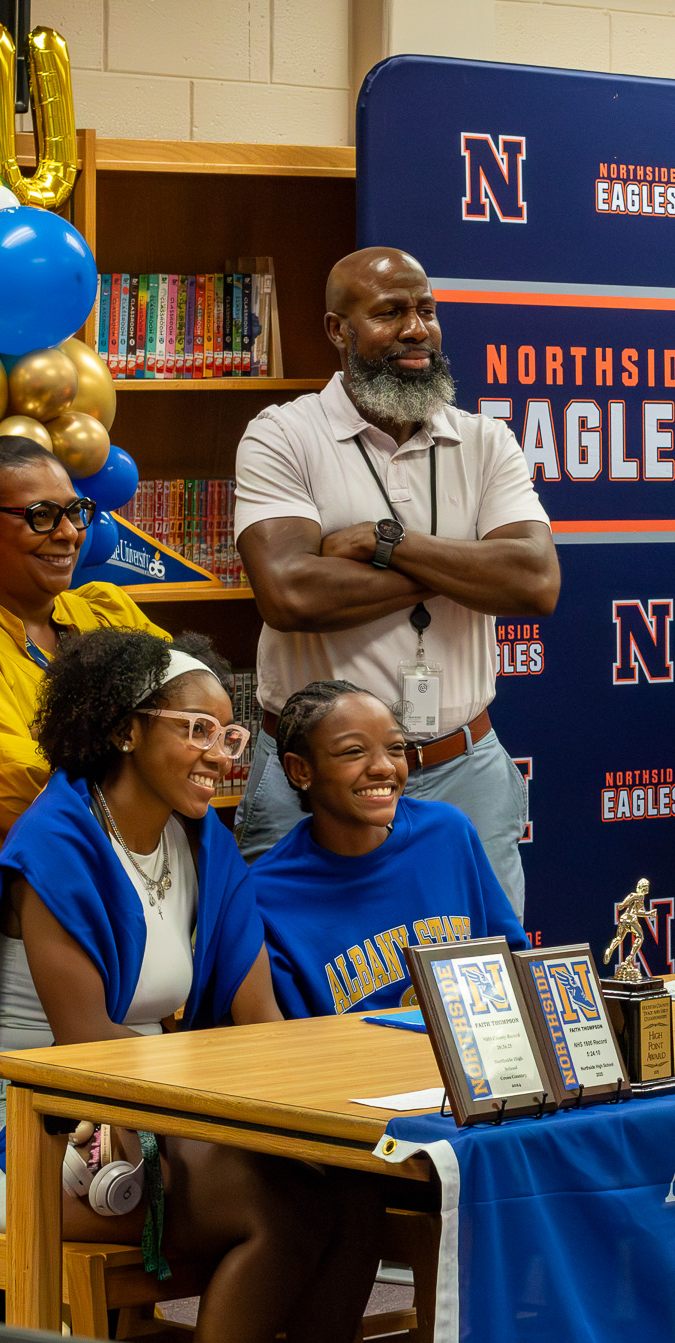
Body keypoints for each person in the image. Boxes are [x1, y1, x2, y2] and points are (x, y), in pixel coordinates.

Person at [0, 629, 381, 1343]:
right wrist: (213, 1079)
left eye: (230, 733)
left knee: (356, 1191)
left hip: (155, 1102)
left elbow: (260, 1020)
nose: (222, 754)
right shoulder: (56, 841)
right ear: (125, 729)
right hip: (44, 1125)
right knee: (278, 1206)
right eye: (197, 731)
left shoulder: (205, 843)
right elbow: (84, 1040)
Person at [233, 246, 559, 916]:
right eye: (390, 312)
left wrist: (389, 544)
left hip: (462, 768)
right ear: (337, 330)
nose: (417, 329)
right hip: (313, 779)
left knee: (484, 989)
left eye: (426, 310)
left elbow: (534, 583)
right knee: (305, 994)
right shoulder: (283, 436)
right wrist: (464, 566)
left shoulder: (486, 441)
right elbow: (290, 592)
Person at [0, 436, 169, 959]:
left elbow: (196, 712)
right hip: (5, 935)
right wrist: (152, 771)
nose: (69, 533)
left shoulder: (106, 611)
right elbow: (34, 797)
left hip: (133, 909)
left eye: (75, 511)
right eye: (42, 515)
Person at [254, 679, 526, 1018]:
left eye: (396, 749)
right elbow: (287, 1041)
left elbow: (512, 962)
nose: (384, 767)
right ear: (300, 769)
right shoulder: (266, 894)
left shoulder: (448, 833)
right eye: (354, 751)